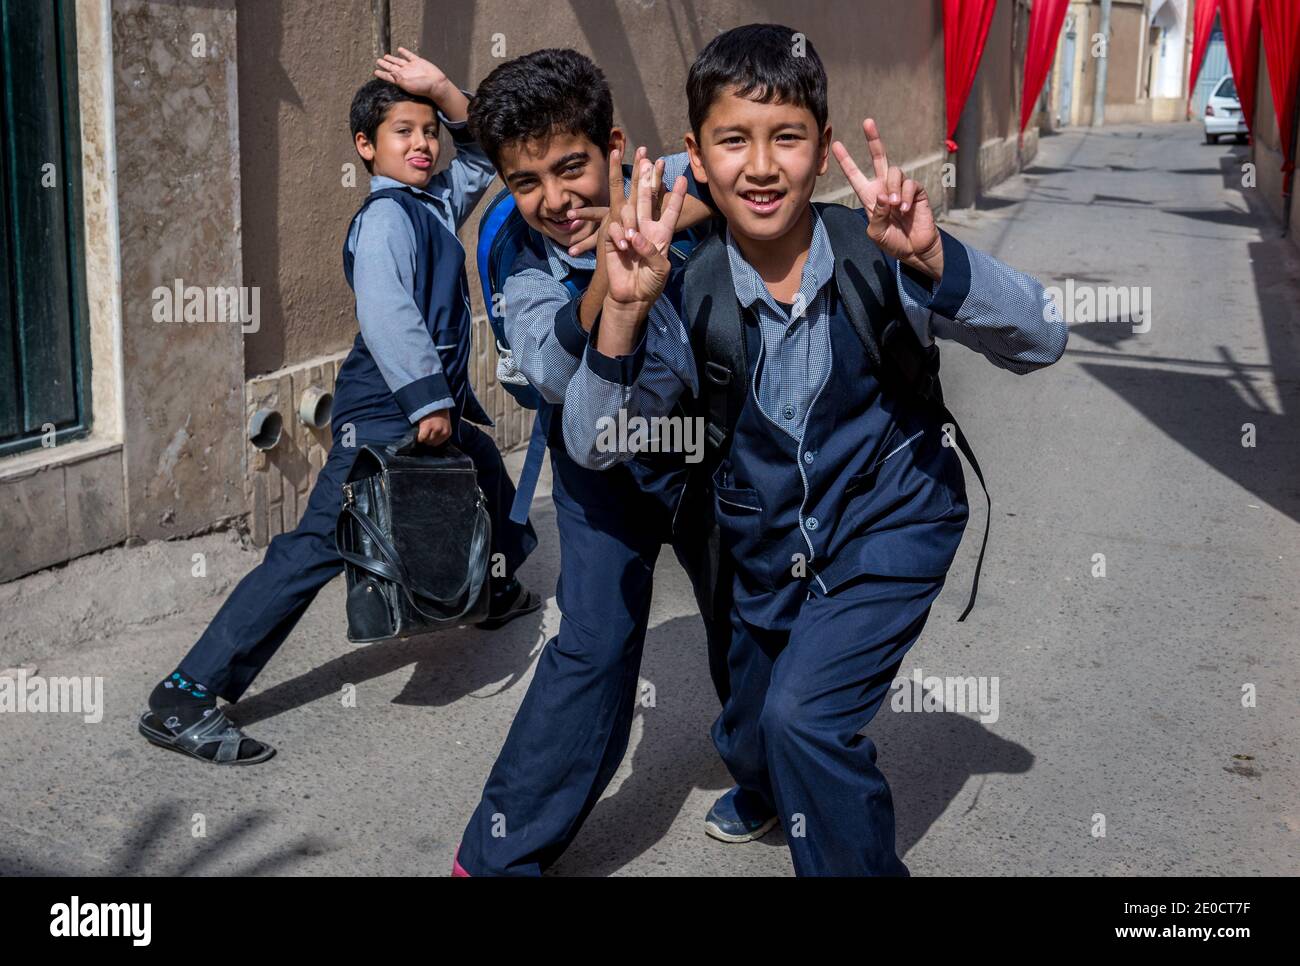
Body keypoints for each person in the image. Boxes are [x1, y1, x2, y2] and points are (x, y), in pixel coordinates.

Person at [562, 23, 1068, 875]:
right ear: (696, 158)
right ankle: (768, 784)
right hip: (763, 546)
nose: (761, 166)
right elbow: (595, 442)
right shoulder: (685, 293)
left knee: (804, 718)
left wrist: (938, 257)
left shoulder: (881, 256)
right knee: (758, 723)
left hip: (890, 525)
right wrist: (618, 312)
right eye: (733, 140)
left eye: (787, 137)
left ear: (825, 149)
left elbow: (1045, 335)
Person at [137, 52, 540, 766]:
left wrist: (445, 91)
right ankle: (186, 694)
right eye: (401, 133)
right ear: (366, 148)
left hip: (413, 401)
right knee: (317, 546)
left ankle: (491, 587)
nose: (422, 143)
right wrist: (427, 399)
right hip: (385, 406)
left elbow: (483, 149)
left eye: (427, 132)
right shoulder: (387, 218)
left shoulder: (432, 202)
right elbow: (389, 316)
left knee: (480, 465)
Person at [442, 48, 770, 877]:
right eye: (526, 182)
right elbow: (552, 373)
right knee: (590, 647)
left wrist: (684, 211)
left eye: (571, 168)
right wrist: (610, 279)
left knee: (750, 622)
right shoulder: (509, 248)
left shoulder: (670, 179)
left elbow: (757, 185)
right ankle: (496, 857)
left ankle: (768, 779)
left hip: (708, 449)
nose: (554, 200)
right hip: (601, 458)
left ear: (614, 146)